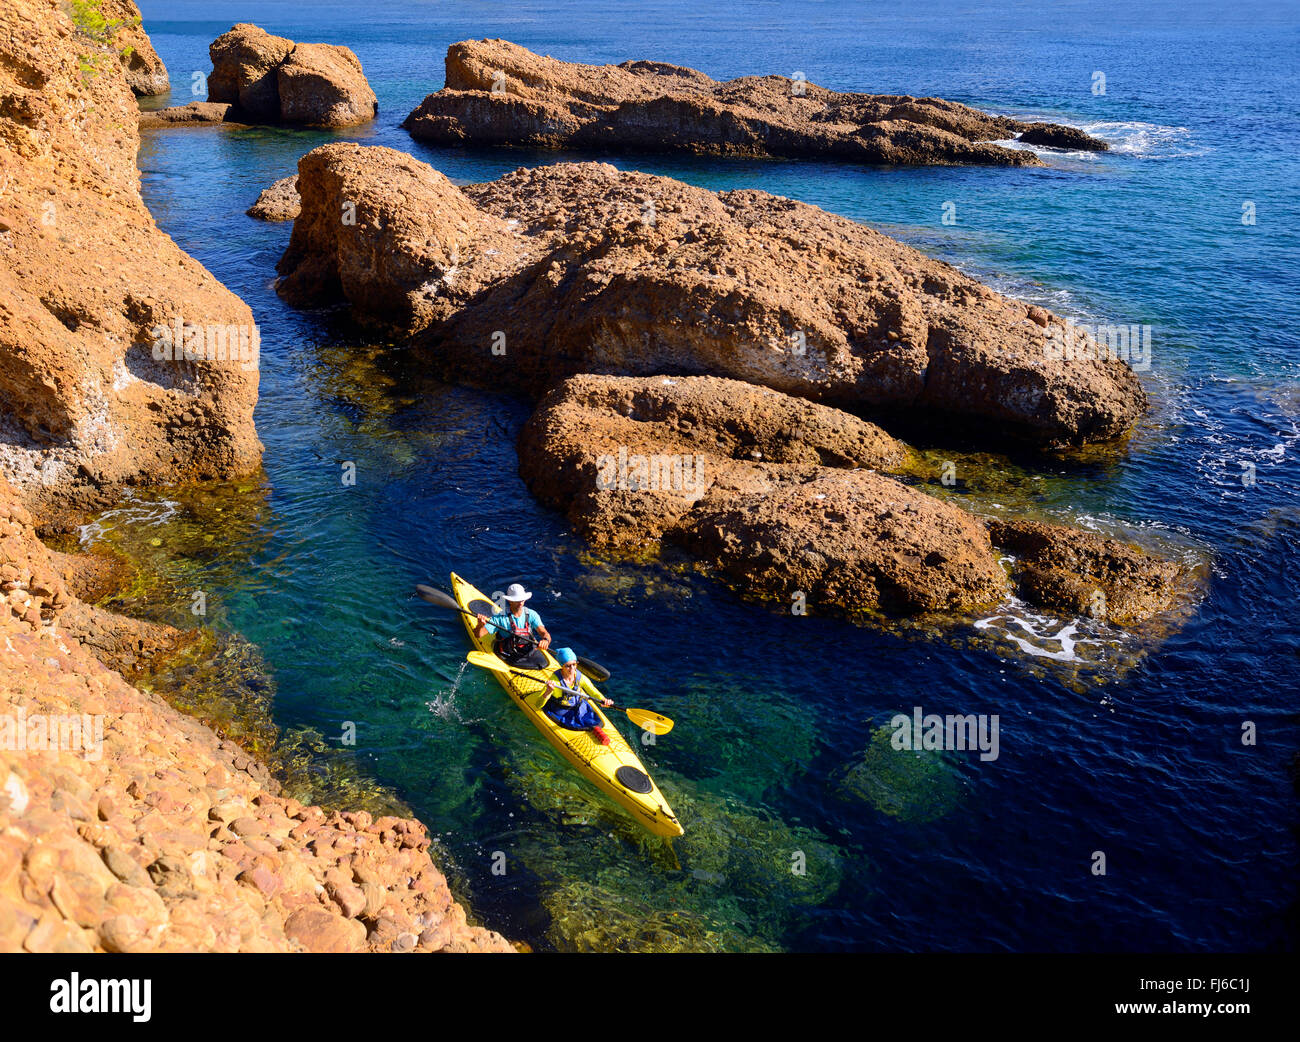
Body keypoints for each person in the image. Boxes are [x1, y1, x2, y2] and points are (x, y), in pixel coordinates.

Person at [542, 647, 613, 746]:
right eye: (568, 666)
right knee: (577, 721)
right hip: (562, 712)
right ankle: (592, 728)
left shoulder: (580, 677)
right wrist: (548, 691)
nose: (572, 669)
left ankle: (595, 729)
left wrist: (603, 700)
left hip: (580, 707)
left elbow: (593, 691)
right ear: (562, 665)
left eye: (574, 665)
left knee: (589, 717)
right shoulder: (555, 682)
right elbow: (538, 704)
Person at [474, 583, 550, 668]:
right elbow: (478, 635)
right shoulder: (500, 618)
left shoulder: (531, 614)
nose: (521, 602)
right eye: (517, 600)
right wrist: (480, 625)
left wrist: (545, 640)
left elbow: (544, 633)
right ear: (510, 601)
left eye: (522, 599)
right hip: (509, 654)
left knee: (543, 664)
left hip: (527, 651)